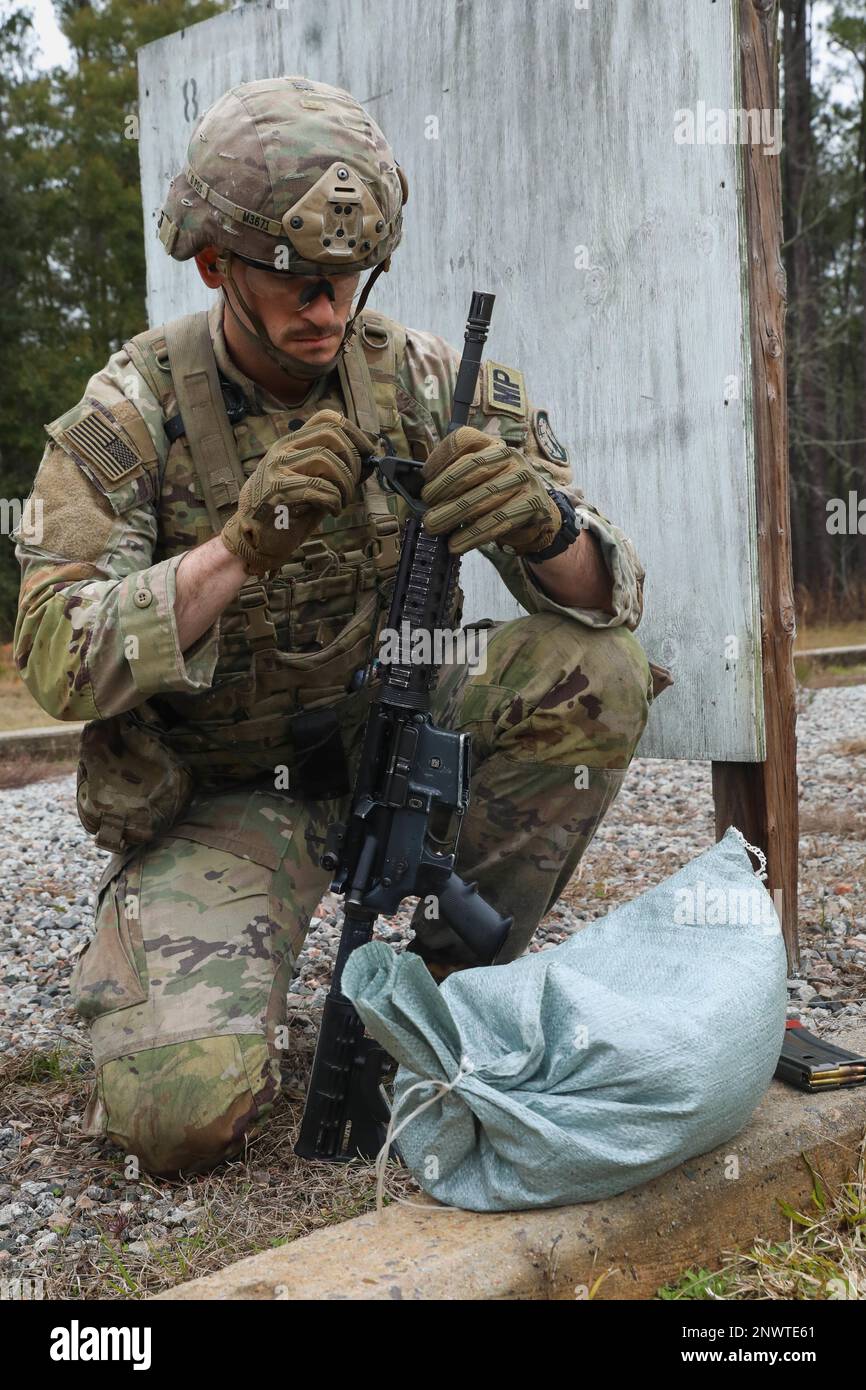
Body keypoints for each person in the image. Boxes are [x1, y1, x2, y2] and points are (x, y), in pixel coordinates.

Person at [14, 76, 667, 1175]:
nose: (328, 306)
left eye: (350, 278)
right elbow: (55, 659)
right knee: (177, 1120)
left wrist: (543, 522)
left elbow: (608, 593)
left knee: (591, 666)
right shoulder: (131, 414)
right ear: (216, 263)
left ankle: (450, 1000)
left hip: (396, 745)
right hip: (224, 792)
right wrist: (233, 549)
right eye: (296, 280)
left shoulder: (426, 382)